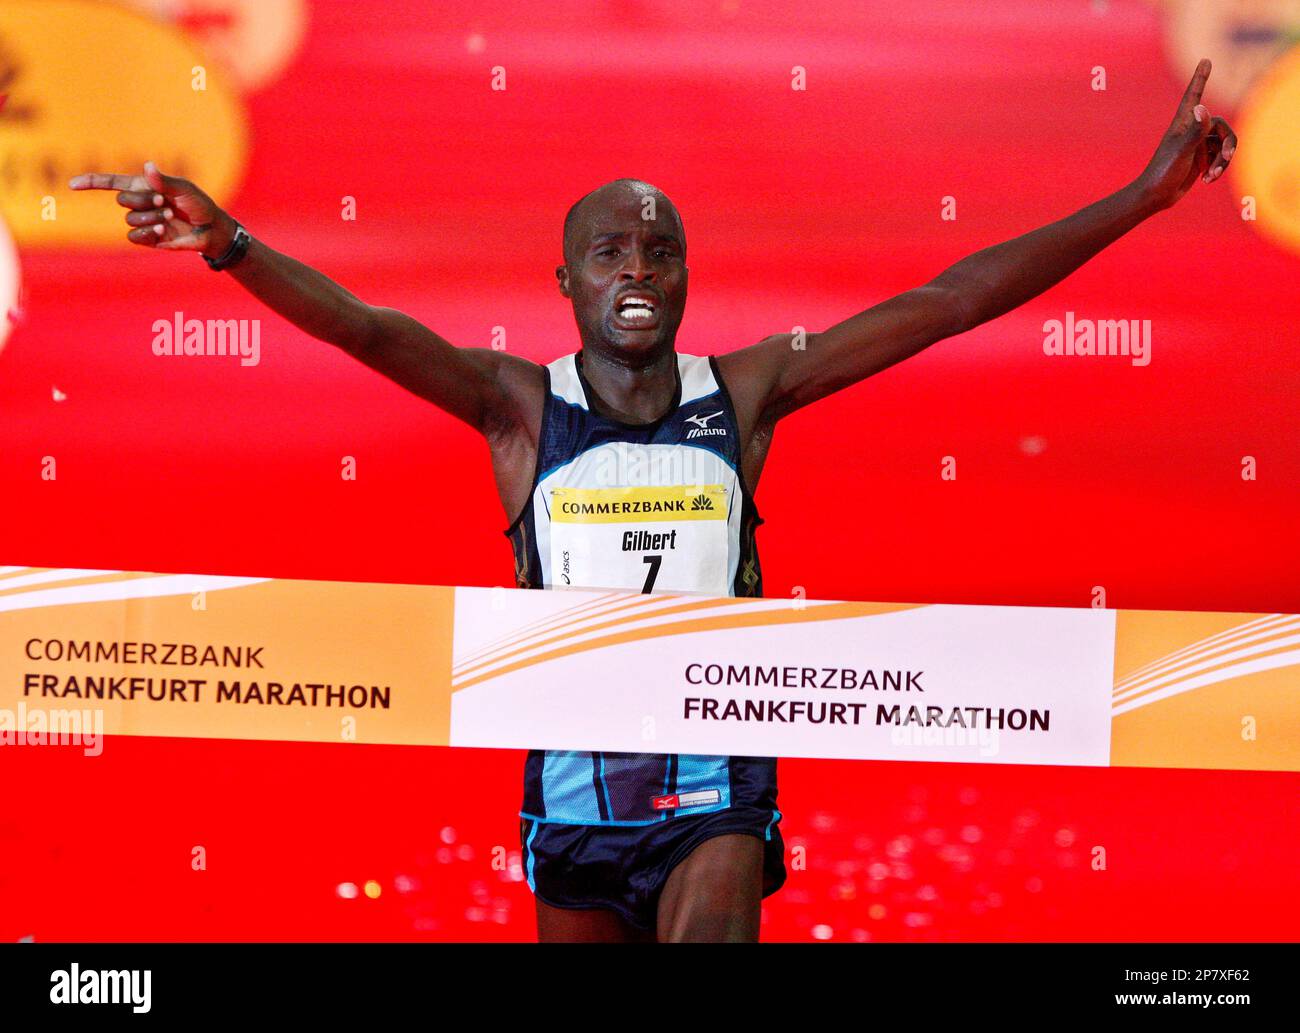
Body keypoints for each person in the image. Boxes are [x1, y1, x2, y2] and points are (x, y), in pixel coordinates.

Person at [70, 60, 1235, 942]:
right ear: (565, 278)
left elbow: (954, 297)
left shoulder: (748, 393)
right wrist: (230, 244)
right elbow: (365, 329)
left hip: (718, 786)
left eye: (660, 250)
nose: (637, 268)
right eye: (610, 251)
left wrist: (1142, 194)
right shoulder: (516, 406)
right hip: (568, 791)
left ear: (686, 275)